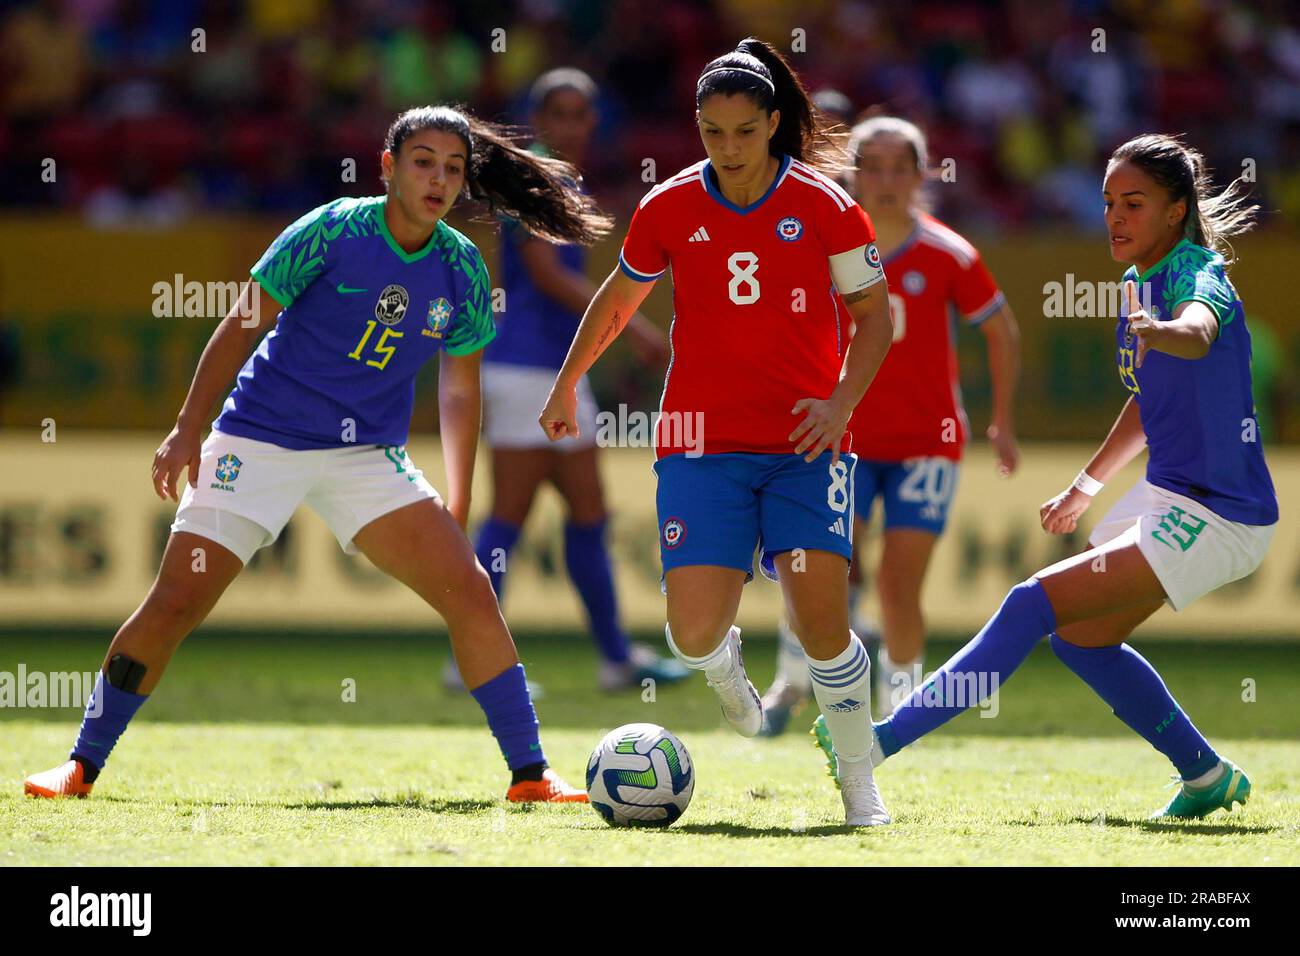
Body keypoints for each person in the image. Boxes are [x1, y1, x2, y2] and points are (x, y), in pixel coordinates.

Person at [23, 105, 604, 804]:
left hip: (366, 458)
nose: (438, 179)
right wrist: (186, 429)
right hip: (258, 438)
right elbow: (239, 328)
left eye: (453, 169)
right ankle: (81, 764)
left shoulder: (462, 267)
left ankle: (530, 775)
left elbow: (458, 388)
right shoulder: (330, 230)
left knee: (472, 592)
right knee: (175, 601)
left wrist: (460, 490)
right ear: (387, 168)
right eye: (422, 162)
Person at [814, 133, 1277, 820]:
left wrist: (1166, 328)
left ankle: (878, 743)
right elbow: (1149, 402)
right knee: (1080, 638)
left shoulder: (1194, 275)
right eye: (1109, 202)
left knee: (1031, 604)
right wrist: (1087, 486)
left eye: (1135, 203)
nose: (1115, 216)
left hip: (1218, 514)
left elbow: (1201, 327)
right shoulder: (1136, 282)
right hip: (1171, 496)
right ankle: (1205, 776)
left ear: (1177, 211)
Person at [540, 39, 897, 826]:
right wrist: (569, 380)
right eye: (712, 132)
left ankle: (857, 781)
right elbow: (619, 298)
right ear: (696, 127)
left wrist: (839, 406)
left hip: (806, 445)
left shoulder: (827, 207)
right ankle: (725, 668)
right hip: (701, 443)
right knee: (693, 631)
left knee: (824, 621)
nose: (728, 149)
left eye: (743, 131)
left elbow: (877, 318)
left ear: (773, 122)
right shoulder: (668, 205)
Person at [761, 116, 1021, 734]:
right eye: (869, 166)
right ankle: (792, 685)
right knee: (818, 572)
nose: (882, 180)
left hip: (926, 444)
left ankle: (905, 710)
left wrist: (1001, 421)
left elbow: (1001, 330)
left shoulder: (949, 253)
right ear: (850, 172)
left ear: (919, 174)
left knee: (899, 584)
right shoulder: (822, 248)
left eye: (897, 167)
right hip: (838, 439)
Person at [444, 68, 686, 695]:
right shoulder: (539, 175)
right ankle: (467, 659)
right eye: (558, 113)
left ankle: (614, 659)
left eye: (580, 113)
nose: (569, 125)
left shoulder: (559, 177)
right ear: (539, 120)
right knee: (512, 513)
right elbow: (547, 273)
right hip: (526, 366)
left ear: (593, 121)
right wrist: (627, 325)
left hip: (552, 369)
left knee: (588, 511)